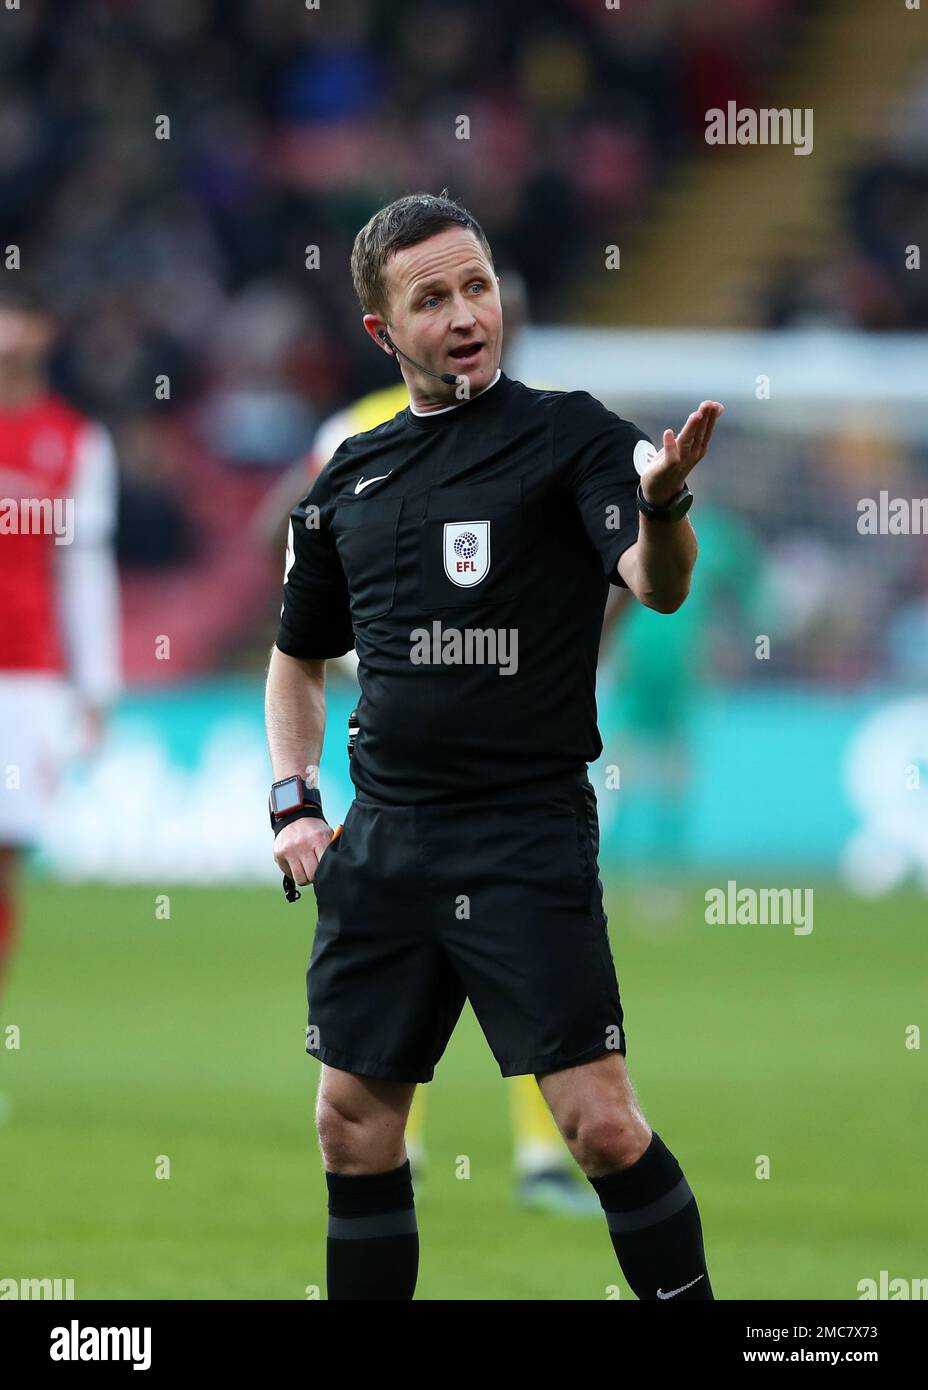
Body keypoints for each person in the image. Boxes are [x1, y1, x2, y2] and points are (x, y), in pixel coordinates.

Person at [264, 190, 723, 1300]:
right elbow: (296, 660)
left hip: (522, 833)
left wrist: (662, 508)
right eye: (433, 299)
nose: (467, 314)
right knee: (351, 1128)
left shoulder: (571, 435)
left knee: (601, 1126)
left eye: (478, 288)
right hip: (383, 846)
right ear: (383, 331)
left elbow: (655, 588)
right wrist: (294, 801)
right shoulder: (346, 482)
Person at [0, 276, 122, 1011]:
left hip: (28, 680)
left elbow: (85, 569)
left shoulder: (76, 439)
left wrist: (96, 688)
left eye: (17, 317)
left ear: (43, 329)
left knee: (5, 860)